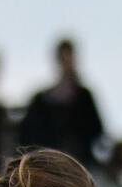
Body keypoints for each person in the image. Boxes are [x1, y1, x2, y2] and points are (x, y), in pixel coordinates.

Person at [18, 39, 105, 170]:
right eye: (63, 58)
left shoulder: (83, 96)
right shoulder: (41, 99)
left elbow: (96, 130)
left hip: (79, 164)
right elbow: (27, 133)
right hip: (48, 165)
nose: (66, 62)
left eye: (69, 58)